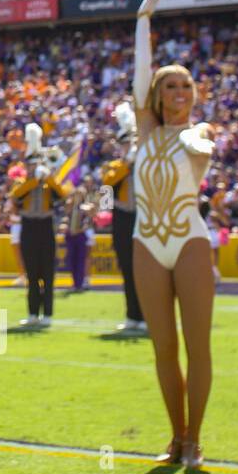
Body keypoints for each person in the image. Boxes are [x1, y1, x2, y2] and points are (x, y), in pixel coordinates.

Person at [131, 0, 214, 469]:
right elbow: (139, 77)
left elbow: (204, 149)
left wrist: (196, 142)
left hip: (189, 240)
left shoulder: (200, 130)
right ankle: (175, 434)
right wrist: (143, 19)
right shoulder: (144, 130)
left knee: (196, 344)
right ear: (158, 95)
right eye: (170, 86)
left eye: (186, 85)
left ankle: (195, 438)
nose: (179, 92)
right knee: (163, 346)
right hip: (147, 242)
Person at [9, 124, 69, 327]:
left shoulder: (48, 182)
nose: (34, 168)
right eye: (31, 165)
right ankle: (33, 313)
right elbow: (16, 196)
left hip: (46, 225)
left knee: (47, 272)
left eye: (37, 164)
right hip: (28, 226)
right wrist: (35, 180)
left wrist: (49, 178)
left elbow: (62, 195)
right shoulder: (22, 183)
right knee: (32, 272)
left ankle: (48, 314)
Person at [101, 101, 146, 333]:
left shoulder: (146, 164)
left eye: (133, 142)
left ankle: (148, 317)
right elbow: (106, 188)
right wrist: (127, 164)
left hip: (144, 218)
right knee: (127, 269)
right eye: (126, 143)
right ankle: (132, 316)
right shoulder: (114, 166)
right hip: (122, 219)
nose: (130, 146)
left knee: (147, 269)